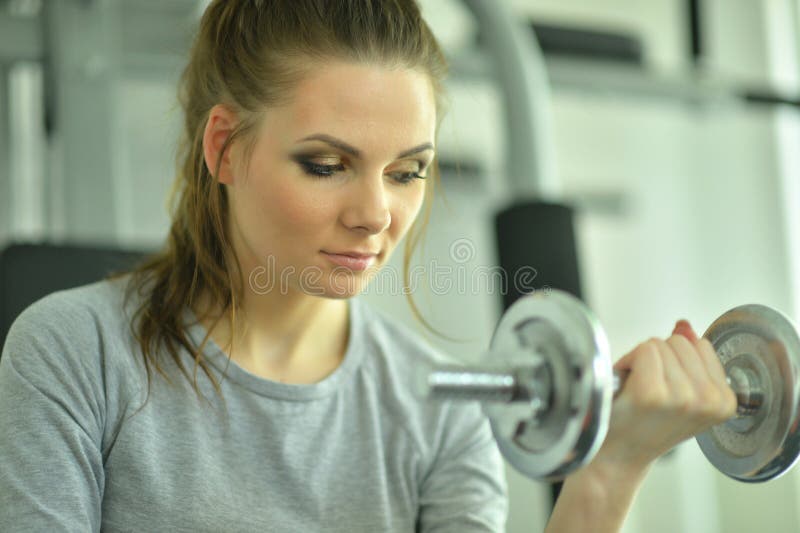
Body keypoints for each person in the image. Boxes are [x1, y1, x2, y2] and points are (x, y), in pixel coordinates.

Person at [0, 1, 736, 531]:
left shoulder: (443, 415)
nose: (375, 213)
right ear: (224, 147)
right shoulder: (70, 353)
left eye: (407, 171)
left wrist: (611, 468)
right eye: (326, 165)